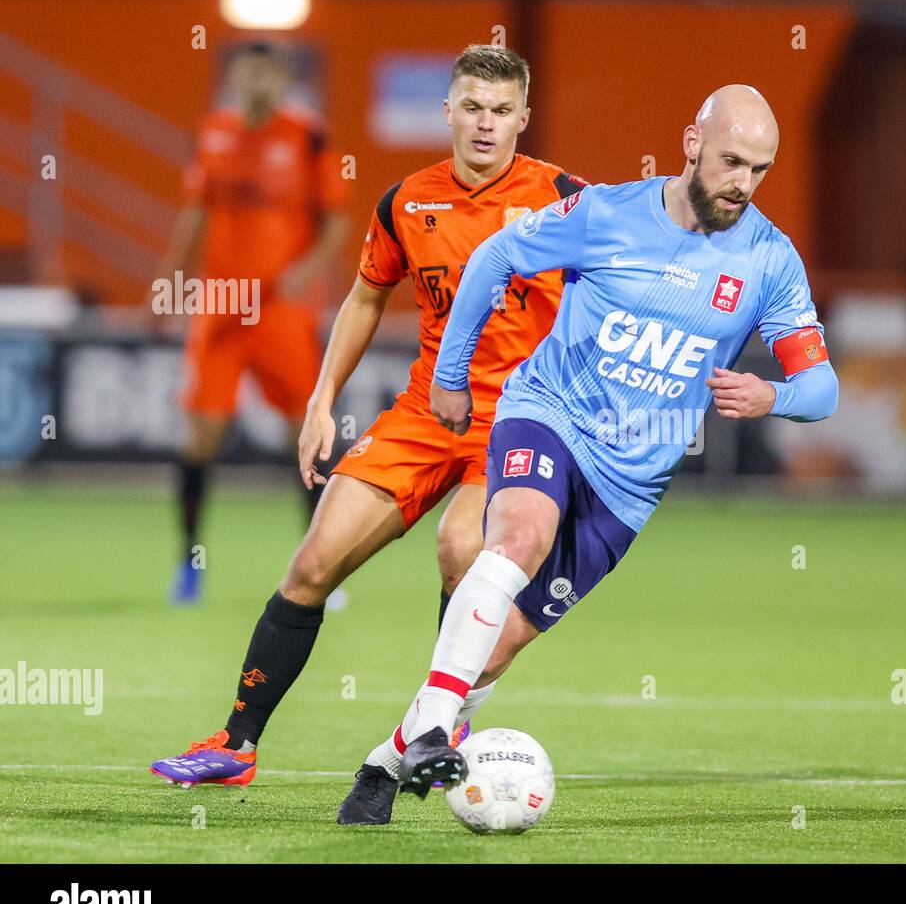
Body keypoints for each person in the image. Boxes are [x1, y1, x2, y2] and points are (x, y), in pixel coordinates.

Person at [351, 84, 839, 817]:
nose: (744, 183)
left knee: (502, 644)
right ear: (691, 144)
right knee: (519, 535)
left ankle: (384, 766)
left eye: (760, 170)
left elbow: (823, 387)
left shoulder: (769, 260)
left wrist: (776, 397)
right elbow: (493, 259)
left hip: (630, 487)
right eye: (732, 161)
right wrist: (451, 376)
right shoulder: (606, 213)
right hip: (548, 413)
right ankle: (430, 728)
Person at [148, 46, 588, 799]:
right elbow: (363, 298)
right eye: (471, 107)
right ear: (449, 112)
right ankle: (237, 742)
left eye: (500, 110)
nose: (485, 124)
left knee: (461, 545)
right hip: (426, 413)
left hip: (521, 418)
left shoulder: (567, 200)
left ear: (523, 118)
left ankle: (441, 727)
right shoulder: (407, 202)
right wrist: (322, 401)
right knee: (313, 561)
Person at [155, 41, 350, 604]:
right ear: (232, 79)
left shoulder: (309, 136)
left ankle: (318, 567)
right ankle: (189, 563)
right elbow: (196, 208)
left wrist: (305, 271)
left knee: (305, 435)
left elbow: (336, 220)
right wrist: (168, 275)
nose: (254, 82)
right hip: (221, 305)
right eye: (245, 72)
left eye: (264, 72)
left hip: (282, 312)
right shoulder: (214, 131)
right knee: (201, 437)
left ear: (283, 77)